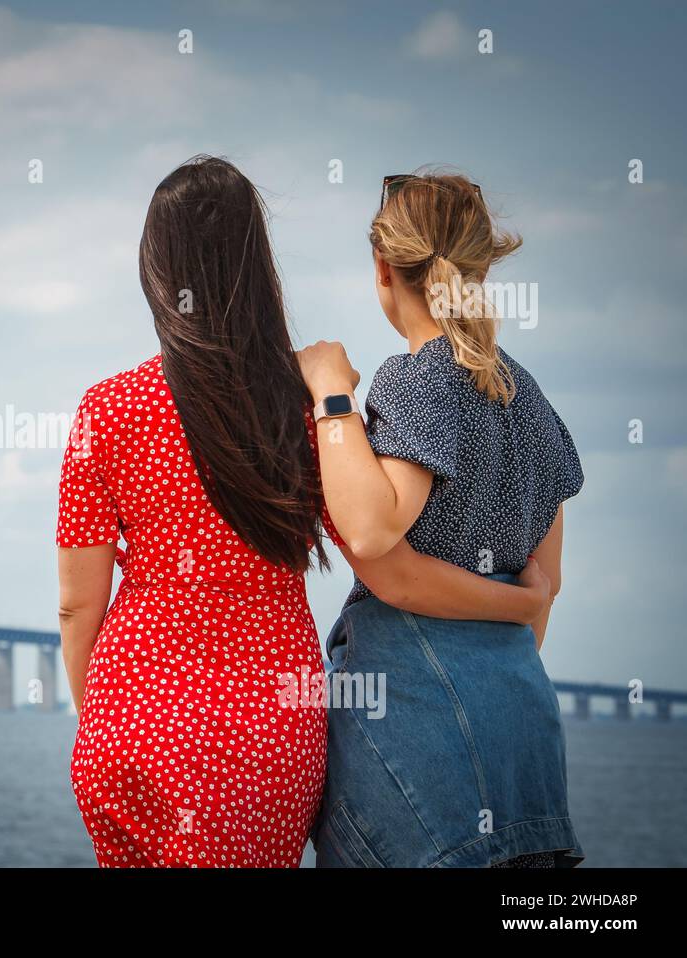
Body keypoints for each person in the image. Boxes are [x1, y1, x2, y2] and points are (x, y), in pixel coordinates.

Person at [56, 157, 552, 867]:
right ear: (260, 267)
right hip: (265, 735)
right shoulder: (308, 406)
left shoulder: (104, 409)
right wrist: (515, 603)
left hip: (126, 722)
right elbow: (381, 557)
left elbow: (79, 609)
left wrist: (101, 719)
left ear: (156, 273)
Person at [299, 171, 584, 868]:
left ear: (383, 268)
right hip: (523, 735)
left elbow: (371, 532)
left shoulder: (418, 377)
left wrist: (332, 396)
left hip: (415, 734)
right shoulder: (532, 400)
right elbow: (544, 585)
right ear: (479, 267)